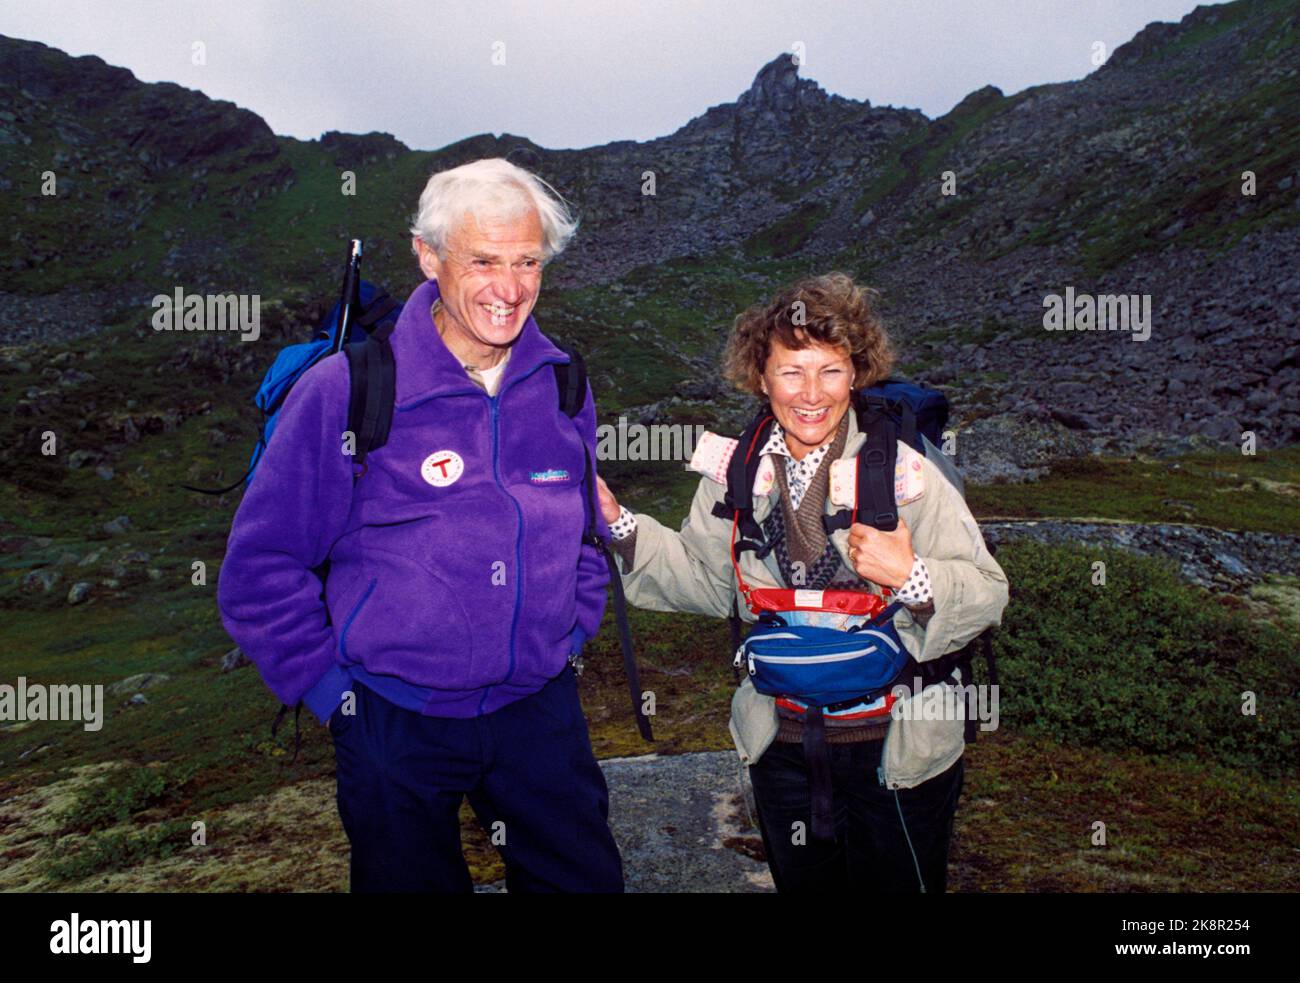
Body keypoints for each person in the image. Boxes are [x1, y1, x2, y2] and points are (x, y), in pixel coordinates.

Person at [217, 157, 623, 893]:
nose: (509, 289)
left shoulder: (564, 381)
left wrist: (570, 633)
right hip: (393, 717)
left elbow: (585, 528)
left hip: (539, 711)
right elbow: (261, 565)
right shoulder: (349, 389)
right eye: (484, 261)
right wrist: (334, 697)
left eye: (528, 262)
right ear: (429, 256)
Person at [596, 272, 1008, 893]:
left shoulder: (907, 473)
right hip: (782, 745)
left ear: (856, 373)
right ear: (761, 379)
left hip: (898, 747)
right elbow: (708, 583)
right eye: (791, 372)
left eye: (830, 371)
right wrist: (618, 523)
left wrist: (912, 576)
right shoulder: (734, 473)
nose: (811, 394)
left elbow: (987, 591)